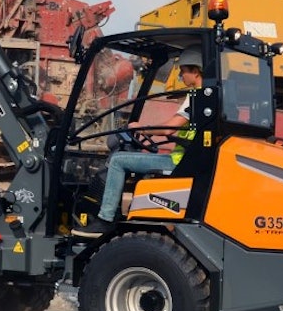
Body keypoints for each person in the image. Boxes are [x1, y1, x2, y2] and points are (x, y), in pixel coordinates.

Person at [80, 49, 204, 234]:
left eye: (183, 70)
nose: (180, 75)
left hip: (178, 162)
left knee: (117, 160)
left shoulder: (195, 98)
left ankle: (105, 218)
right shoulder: (206, 98)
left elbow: (169, 129)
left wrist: (141, 127)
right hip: (188, 160)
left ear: (195, 72)